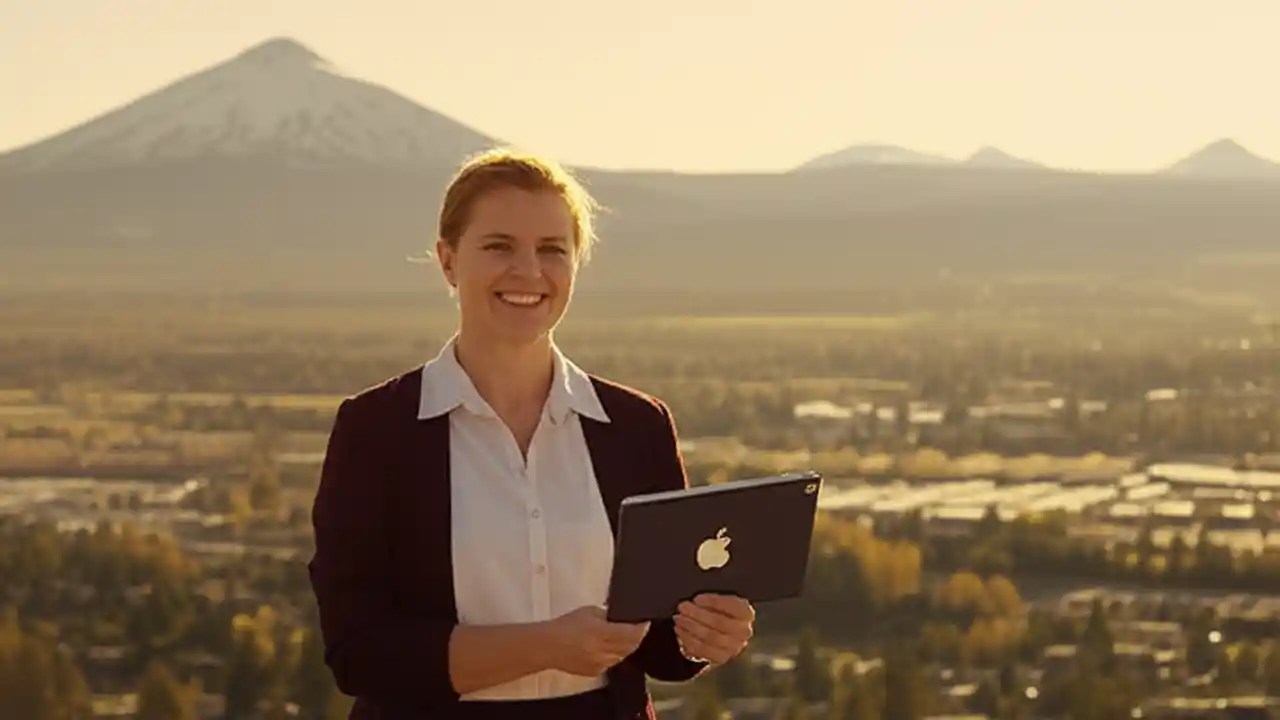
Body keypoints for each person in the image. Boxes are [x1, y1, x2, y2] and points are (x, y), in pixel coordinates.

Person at [308, 148, 756, 719]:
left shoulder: (636, 427)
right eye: (499, 247)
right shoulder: (376, 431)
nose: (529, 272)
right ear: (448, 261)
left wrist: (705, 636)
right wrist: (545, 645)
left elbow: (662, 646)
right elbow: (358, 653)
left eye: (552, 250)